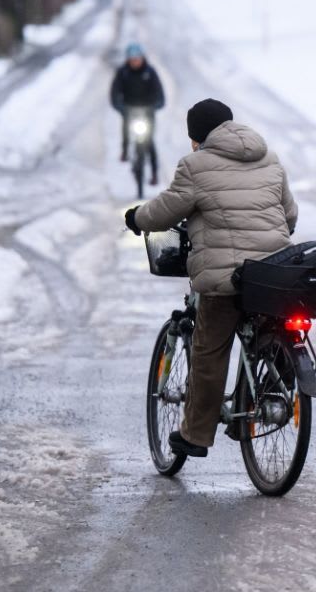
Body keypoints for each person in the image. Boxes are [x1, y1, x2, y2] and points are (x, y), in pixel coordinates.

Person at [124, 99, 298, 458]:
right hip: (274, 273)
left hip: (226, 278)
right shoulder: (269, 157)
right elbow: (290, 215)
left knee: (209, 350)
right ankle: (265, 399)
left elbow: (165, 210)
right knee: (271, 325)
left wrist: (136, 218)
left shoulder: (195, 165)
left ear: (196, 138)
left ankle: (196, 435)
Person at [110, 42, 165, 186]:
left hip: (147, 111)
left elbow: (160, 93)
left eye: (137, 59)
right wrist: (119, 107)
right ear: (128, 59)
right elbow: (115, 93)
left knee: (150, 142)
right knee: (126, 131)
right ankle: (125, 151)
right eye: (132, 59)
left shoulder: (150, 72)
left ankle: (154, 174)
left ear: (142, 58)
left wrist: (157, 104)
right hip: (129, 110)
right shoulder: (122, 73)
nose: (135, 62)